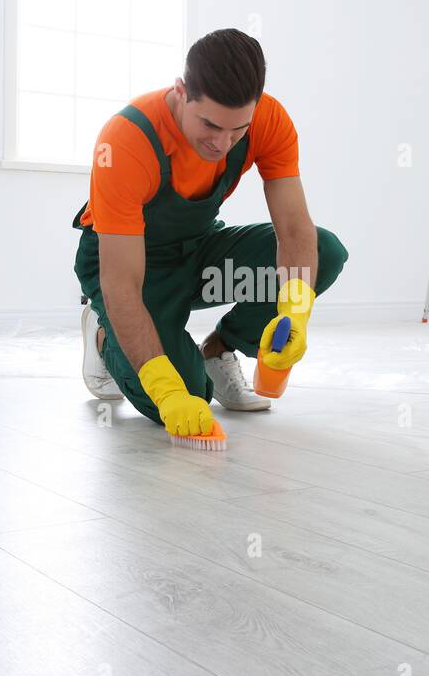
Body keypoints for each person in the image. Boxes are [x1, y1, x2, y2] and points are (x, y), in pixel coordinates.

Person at [72, 29, 348, 437]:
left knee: (323, 251)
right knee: (187, 393)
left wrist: (294, 310)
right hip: (130, 270)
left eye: (237, 130)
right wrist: (167, 391)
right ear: (182, 91)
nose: (223, 143)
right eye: (210, 125)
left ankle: (219, 350)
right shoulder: (127, 141)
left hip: (198, 253)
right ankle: (102, 333)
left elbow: (293, 229)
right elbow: (122, 282)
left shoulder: (270, 120)